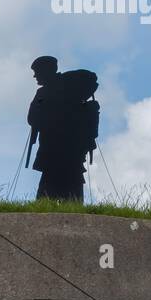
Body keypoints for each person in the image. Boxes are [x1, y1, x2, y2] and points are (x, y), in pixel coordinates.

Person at [26, 55, 98, 202]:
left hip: (53, 150)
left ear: (47, 71)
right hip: (73, 150)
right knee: (73, 185)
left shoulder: (44, 93)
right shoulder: (71, 87)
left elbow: (32, 119)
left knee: (47, 190)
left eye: (37, 72)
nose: (35, 76)